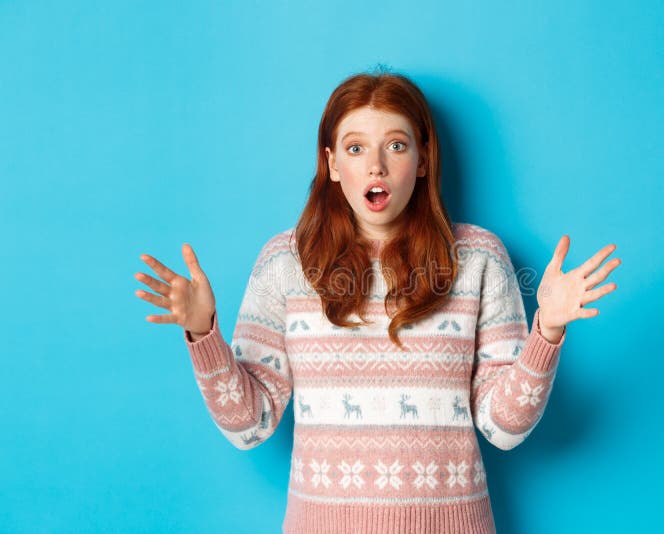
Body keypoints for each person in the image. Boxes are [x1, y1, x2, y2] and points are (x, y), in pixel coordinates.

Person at [134, 70, 621, 533]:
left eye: (395, 144)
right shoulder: (285, 262)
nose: (376, 165)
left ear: (424, 159)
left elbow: (504, 429)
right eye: (355, 147)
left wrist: (548, 331)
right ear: (331, 164)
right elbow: (249, 424)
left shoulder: (478, 258)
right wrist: (203, 333)